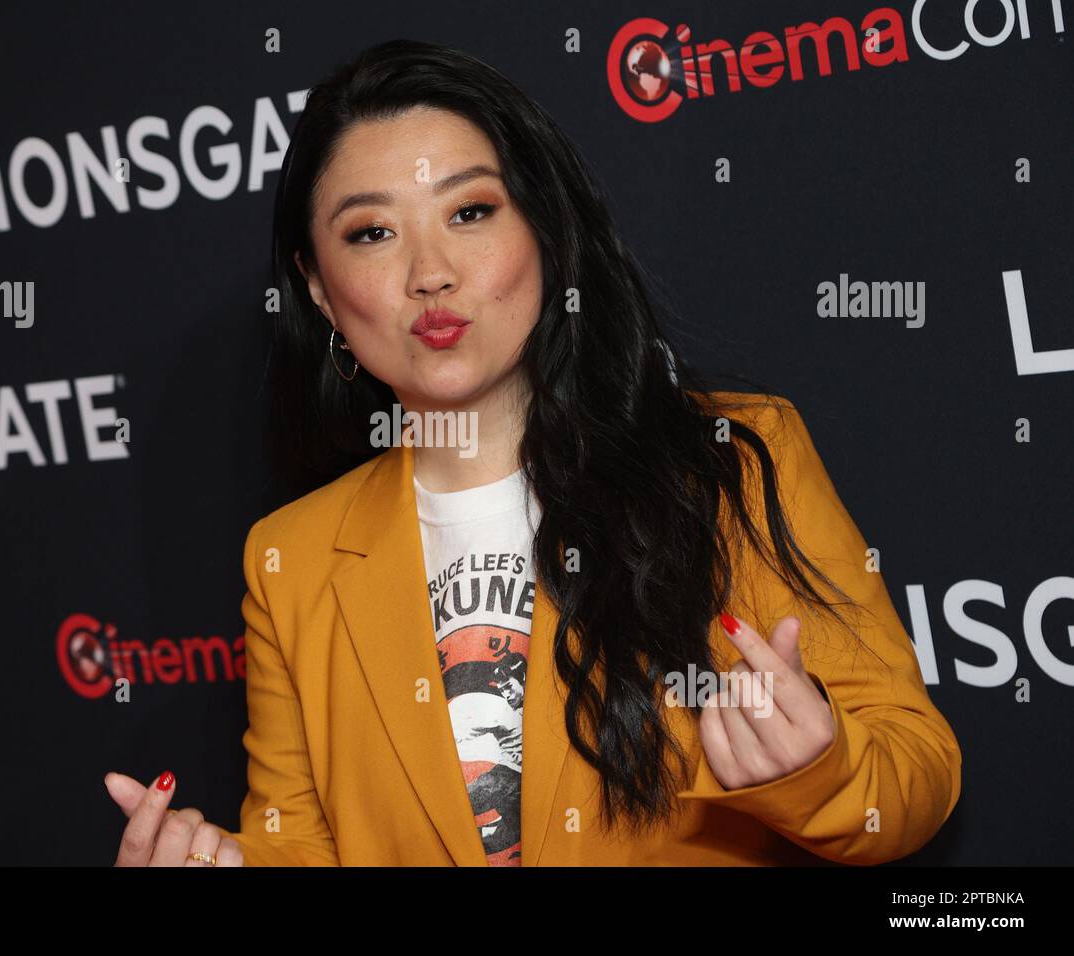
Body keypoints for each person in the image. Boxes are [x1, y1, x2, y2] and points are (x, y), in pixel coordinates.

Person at [104, 38, 962, 867]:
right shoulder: (288, 559)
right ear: (322, 291)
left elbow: (916, 771)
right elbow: (305, 846)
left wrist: (820, 773)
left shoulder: (727, 458)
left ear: (546, 233)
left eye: (470, 211)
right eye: (372, 233)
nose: (430, 273)